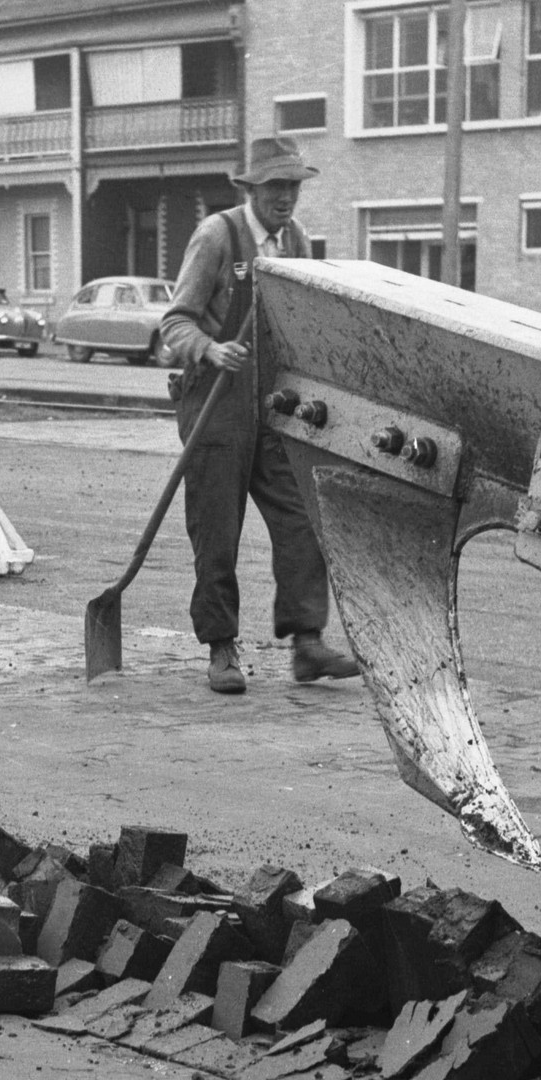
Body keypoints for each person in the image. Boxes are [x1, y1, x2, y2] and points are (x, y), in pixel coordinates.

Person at [158, 135, 360, 695]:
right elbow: (174, 324)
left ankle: (307, 644)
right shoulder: (217, 236)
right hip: (216, 404)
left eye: (293, 186)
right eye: (275, 186)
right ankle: (221, 648)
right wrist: (210, 348)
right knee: (217, 531)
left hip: (273, 406)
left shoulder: (295, 241)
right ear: (251, 188)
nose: (286, 197)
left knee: (302, 522)